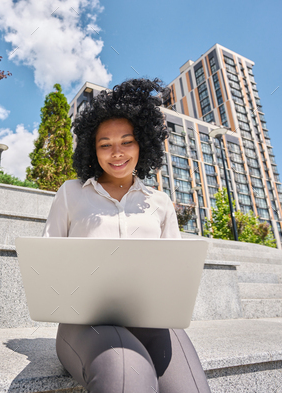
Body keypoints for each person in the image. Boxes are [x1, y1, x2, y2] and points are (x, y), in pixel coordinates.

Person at [42, 78, 211, 392]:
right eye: (105, 144)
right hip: (82, 324)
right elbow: (47, 265)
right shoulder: (71, 193)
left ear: (143, 143)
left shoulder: (160, 203)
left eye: (127, 141)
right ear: (93, 149)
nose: (116, 153)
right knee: (127, 370)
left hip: (151, 321)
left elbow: (175, 276)